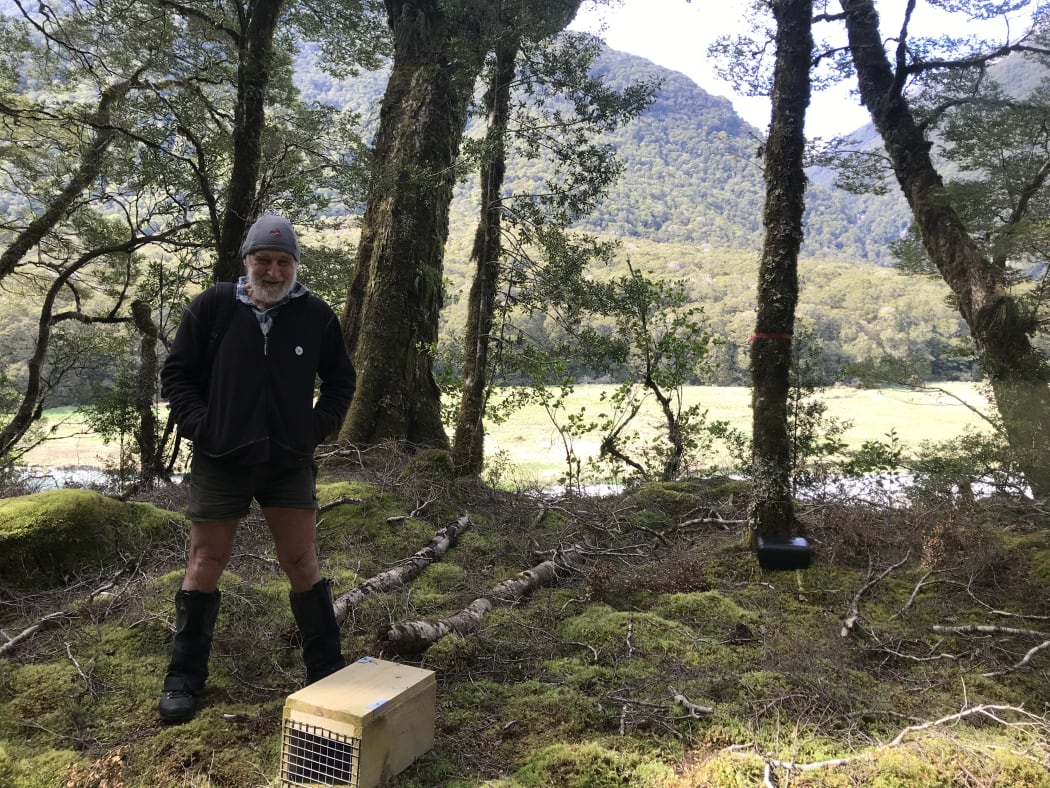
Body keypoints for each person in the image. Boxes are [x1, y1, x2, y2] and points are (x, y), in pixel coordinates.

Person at [157, 214, 356, 724]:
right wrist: (205, 426)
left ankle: (327, 671)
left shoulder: (316, 316)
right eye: (263, 260)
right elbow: (177, 375)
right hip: (220, 461)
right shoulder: (213, 307)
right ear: (246, 262)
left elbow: (340, 382)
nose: (273, 270)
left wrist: (314, 429)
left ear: (294, 265)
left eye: (283, 261)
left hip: (287, 462)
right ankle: (183, 679)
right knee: (205, 562)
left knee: (301, 560)